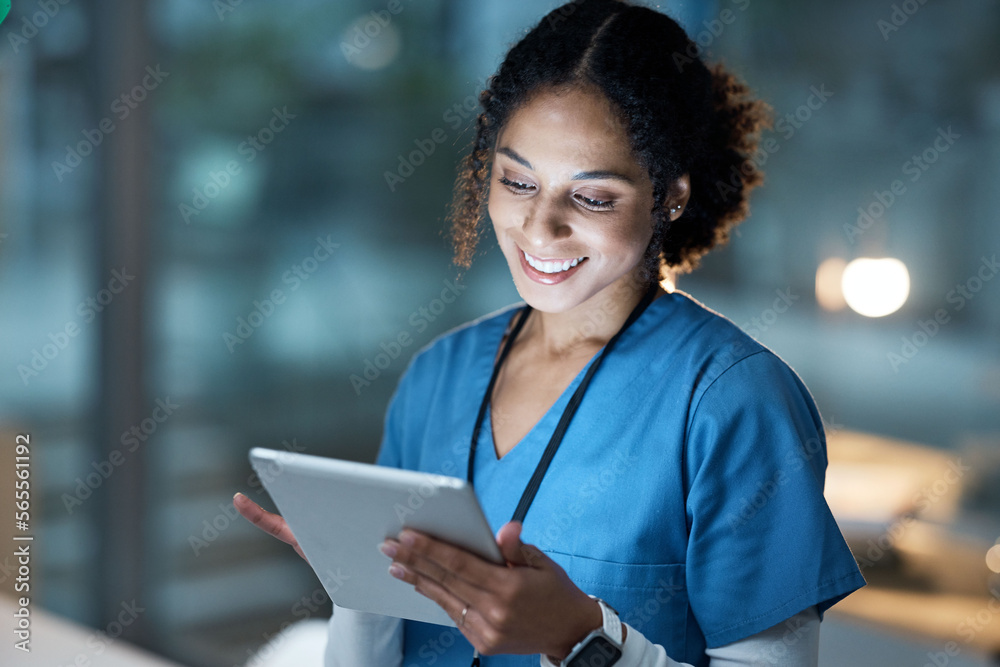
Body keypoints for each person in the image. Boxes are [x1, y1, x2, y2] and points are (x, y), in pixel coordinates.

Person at [234, 1, 866, 665]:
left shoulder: (734, 403)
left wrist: (582, 637)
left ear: (669, 195)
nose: (539, 227)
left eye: (591, 197)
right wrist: (358, 580)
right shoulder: (439, 375)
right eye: (517, 181)